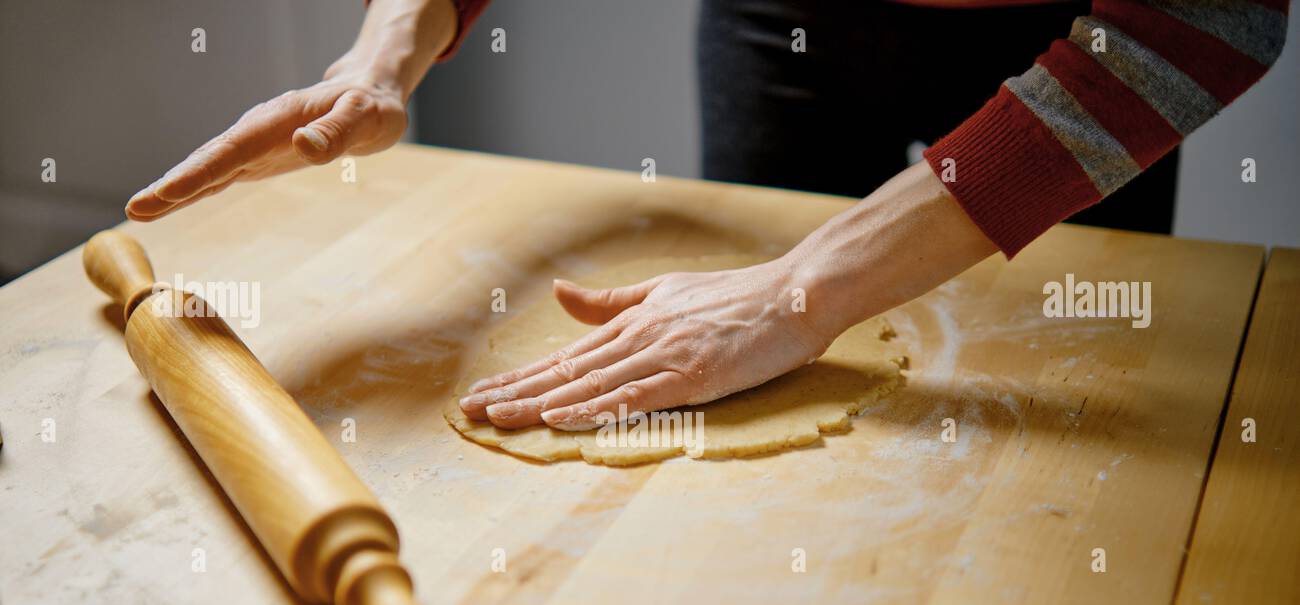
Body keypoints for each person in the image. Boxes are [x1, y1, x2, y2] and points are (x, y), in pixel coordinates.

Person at [126, 0, 1288, 433]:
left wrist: (802, 288)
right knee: (746, 396)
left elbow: (1217, 14)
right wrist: (387, 49)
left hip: (1077, 37)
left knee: (1082, 385)